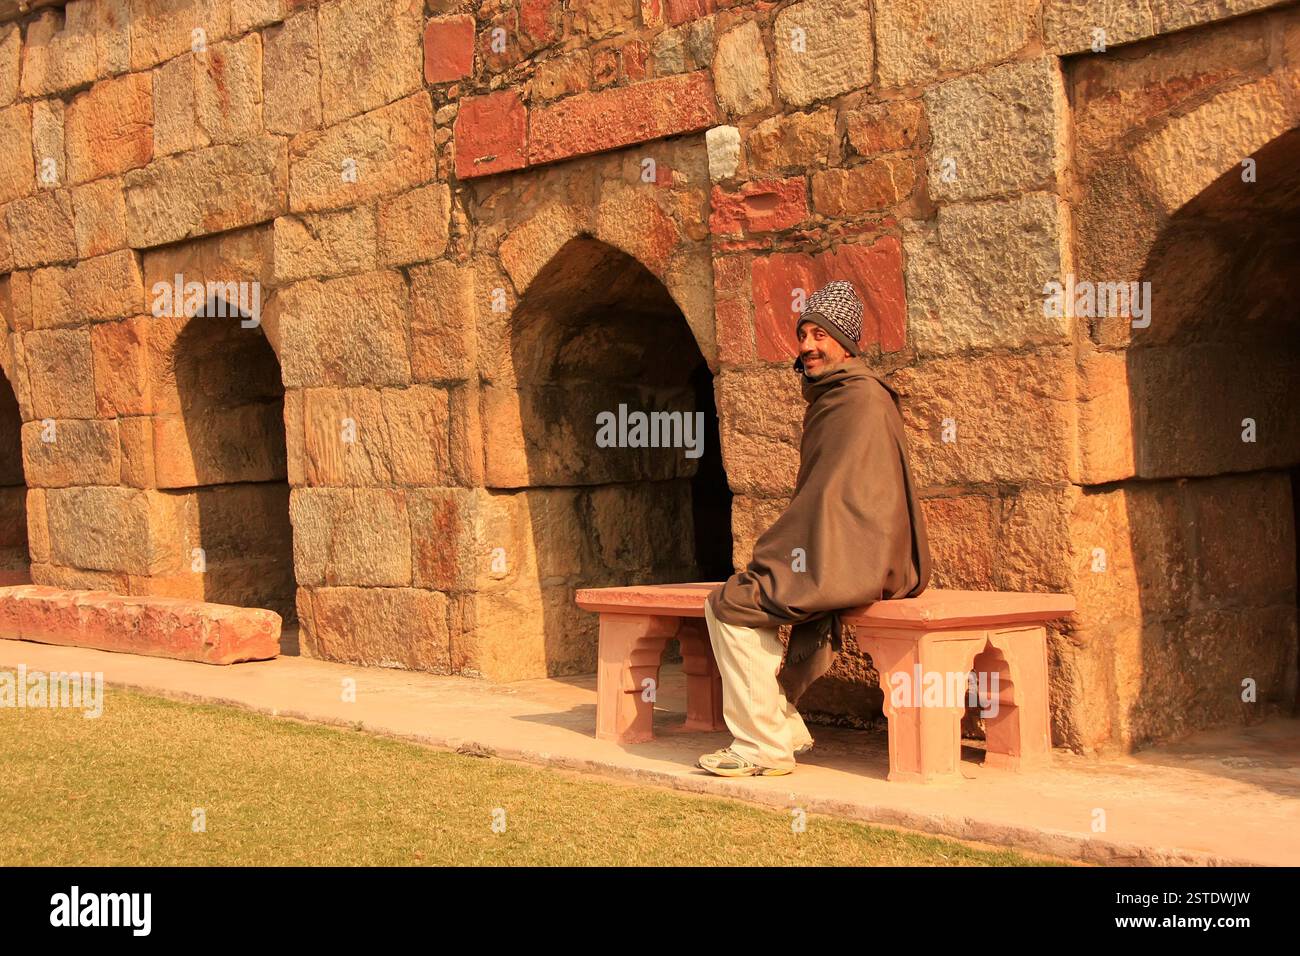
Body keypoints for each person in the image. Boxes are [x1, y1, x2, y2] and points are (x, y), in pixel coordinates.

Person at [697, 279, 932, 777]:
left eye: (819, 335)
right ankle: (779, 724)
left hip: (860, 557)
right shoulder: (843, 397)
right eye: (802, 334)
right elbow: (830, 497)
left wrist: (781, 549)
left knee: (730, 604)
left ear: (845, 342)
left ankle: (764, 744)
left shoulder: (857, 399)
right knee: (745, 594)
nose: (807, 346)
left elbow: (840, 500)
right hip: (858, 551)